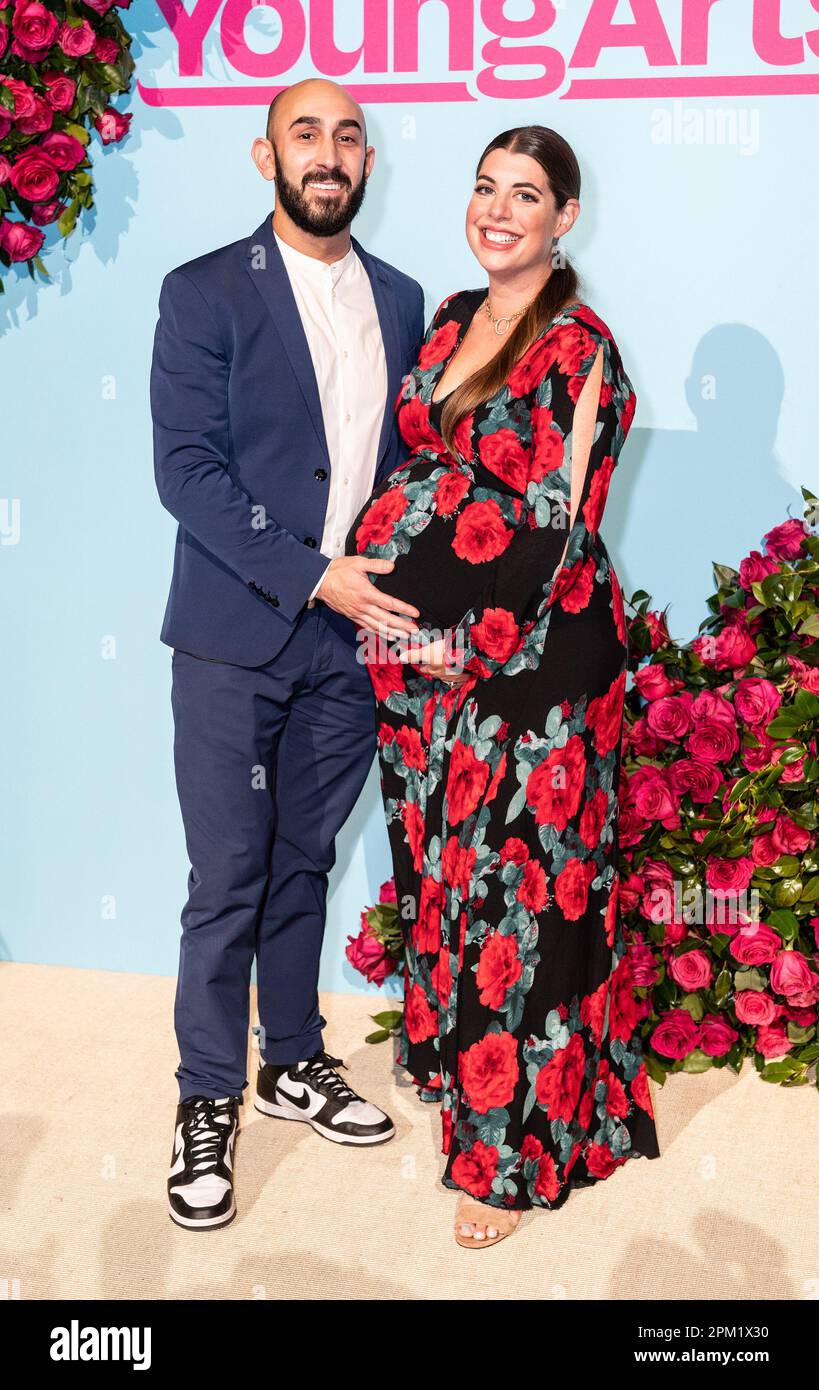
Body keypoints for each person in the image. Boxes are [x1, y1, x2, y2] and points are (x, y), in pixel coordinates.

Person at [345, 125, 661, 1248]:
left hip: (534, 665)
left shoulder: (583, 350)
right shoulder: (443, 320)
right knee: (437, 868)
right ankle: (446, 1060)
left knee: (514, 901)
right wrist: (393, 617)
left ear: (563, 216)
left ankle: (505, 1158)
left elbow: (558, 526)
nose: (498, 209)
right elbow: (422, 474)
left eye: (525, 194)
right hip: (415, 661)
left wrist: (453, 639)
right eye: (485, 188)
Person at [151, 78, 426, 1230]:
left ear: (367, 162)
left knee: (305, 857)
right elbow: (186, 470)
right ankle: (206, 1095)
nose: (329, 153)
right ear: (264, 152)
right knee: (229, 878)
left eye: (347, 136)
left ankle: (293, 1060)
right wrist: (313, 569)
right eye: (306, 133)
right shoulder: (205, 289)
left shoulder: (408, 298)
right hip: (234, 632)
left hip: (350, 644)